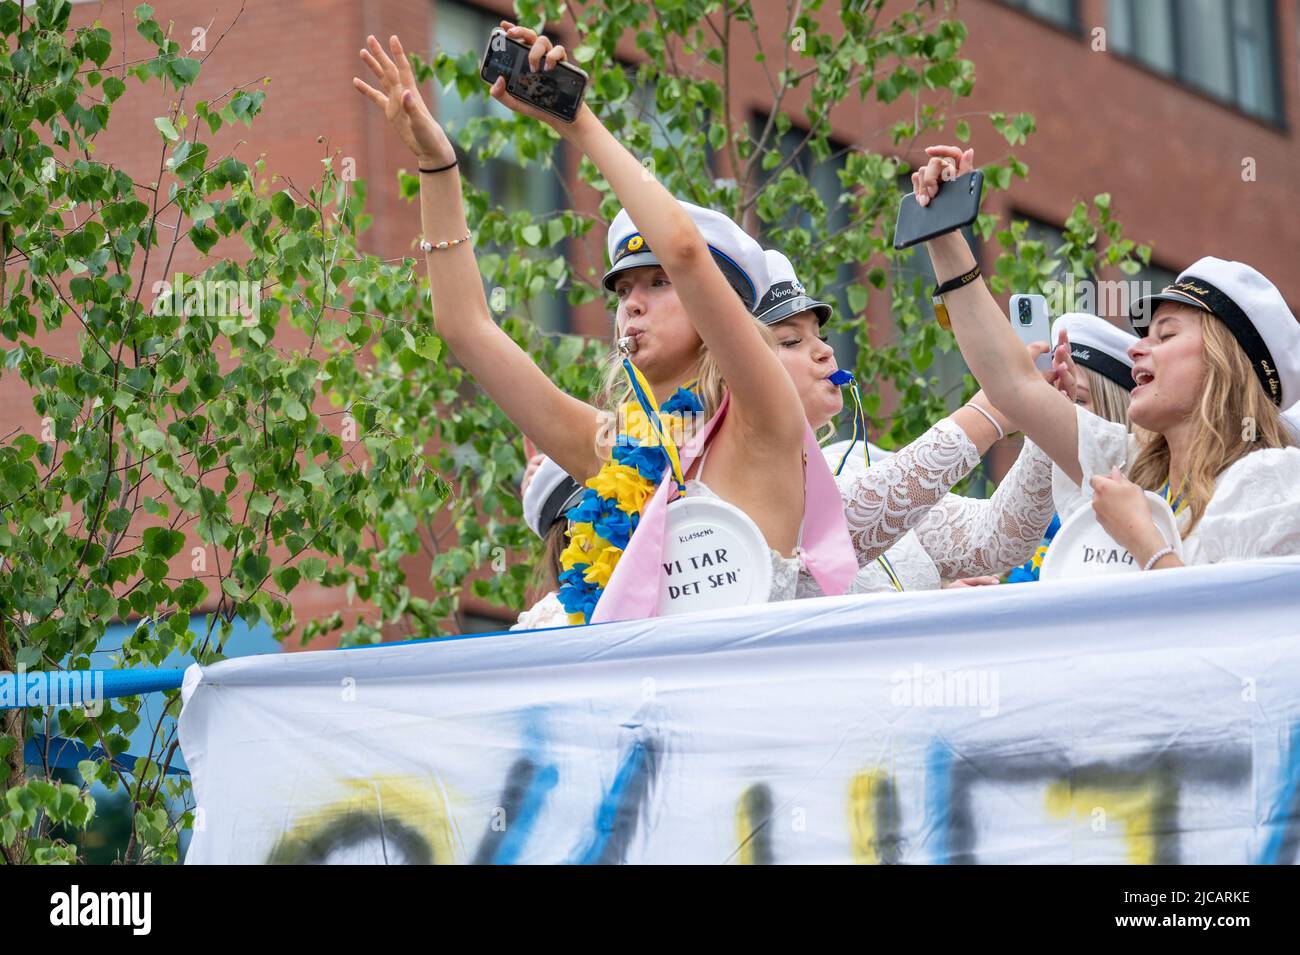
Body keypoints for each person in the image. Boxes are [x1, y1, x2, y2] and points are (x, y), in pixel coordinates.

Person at [354, 27, 853, 627]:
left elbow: (689, 253)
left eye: (658, 283)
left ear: (715, 305)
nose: (632, 304)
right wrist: (437, 166)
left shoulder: (766, 418)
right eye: (622, 290)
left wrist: (576, 121)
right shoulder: (614, 449)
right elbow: (465, 329)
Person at [913, 144, 1300, 569]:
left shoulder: (1272, 480)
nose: (1137, 347)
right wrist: (945, 232)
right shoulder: (1128, 465)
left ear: (1225, 367)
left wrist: (1145, 541)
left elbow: (1241, 632)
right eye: (1145, 335)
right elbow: (1014, 384)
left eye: (1166, 335)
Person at [1005, 312, 1136, 582]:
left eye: (1077, 401)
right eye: (1053, 397)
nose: (1056, 413)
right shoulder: (1035, 515)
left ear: (1116, 411)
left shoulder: (1152, 502)